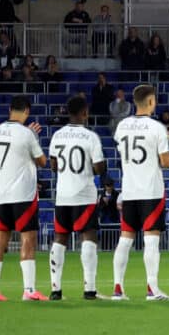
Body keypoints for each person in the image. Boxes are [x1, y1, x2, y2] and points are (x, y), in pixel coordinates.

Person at [111, 84, 169, 301]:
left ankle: (118, 288)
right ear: (150, 101)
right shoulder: (157, 128)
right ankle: (152, 289)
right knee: (151, 240)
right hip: (151, 191)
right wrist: (167, 141)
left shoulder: (122, 126)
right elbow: (166, 162)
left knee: (125, 239)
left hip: (129, 190)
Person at [0, 95, 47, 301]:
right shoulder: (27, 134)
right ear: (27, 111)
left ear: (10, 110)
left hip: (3, 194)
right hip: (24, 195)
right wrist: (33, 136)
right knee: (28, 240)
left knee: (0, 241)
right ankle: (29, 290)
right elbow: (42, 161)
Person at [48, 95, 106, 300]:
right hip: (84, 194)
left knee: (60, 238)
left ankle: (56, 290)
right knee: (88, 237)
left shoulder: (57, 136)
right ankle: (89, 289)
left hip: (63, 195)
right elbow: (99, 168)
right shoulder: (90, 137)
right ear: (84, 112)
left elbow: (53, 166)